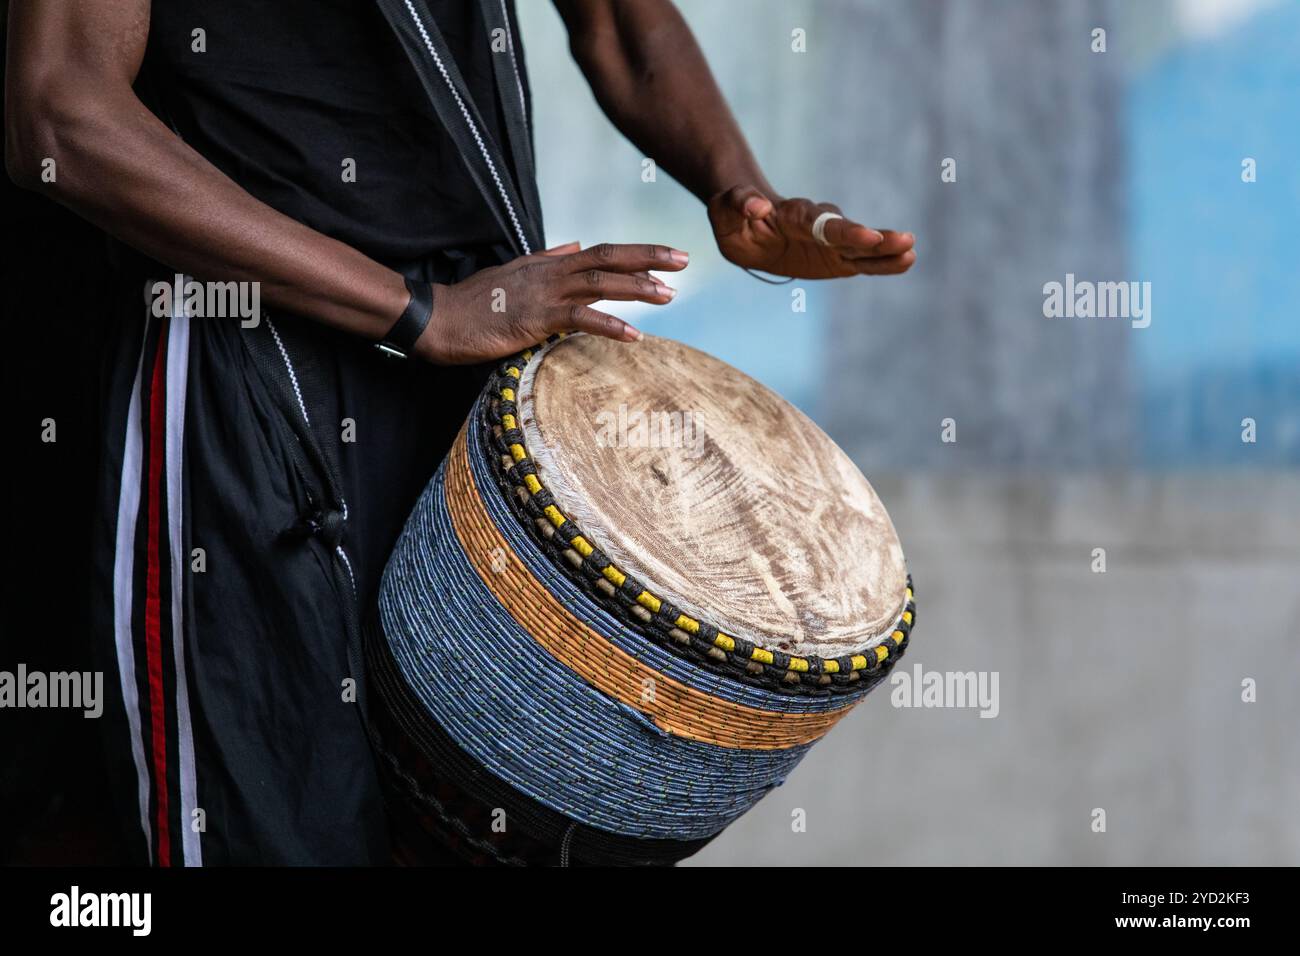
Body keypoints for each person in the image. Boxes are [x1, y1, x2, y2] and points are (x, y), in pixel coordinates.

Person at [4, 0, 915, 865]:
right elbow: (62, 115)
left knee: (472, 831)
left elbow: (616, 21)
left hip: (479, 349)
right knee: (274, 825)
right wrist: (417, 312)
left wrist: (738, 188)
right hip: (253, 363)